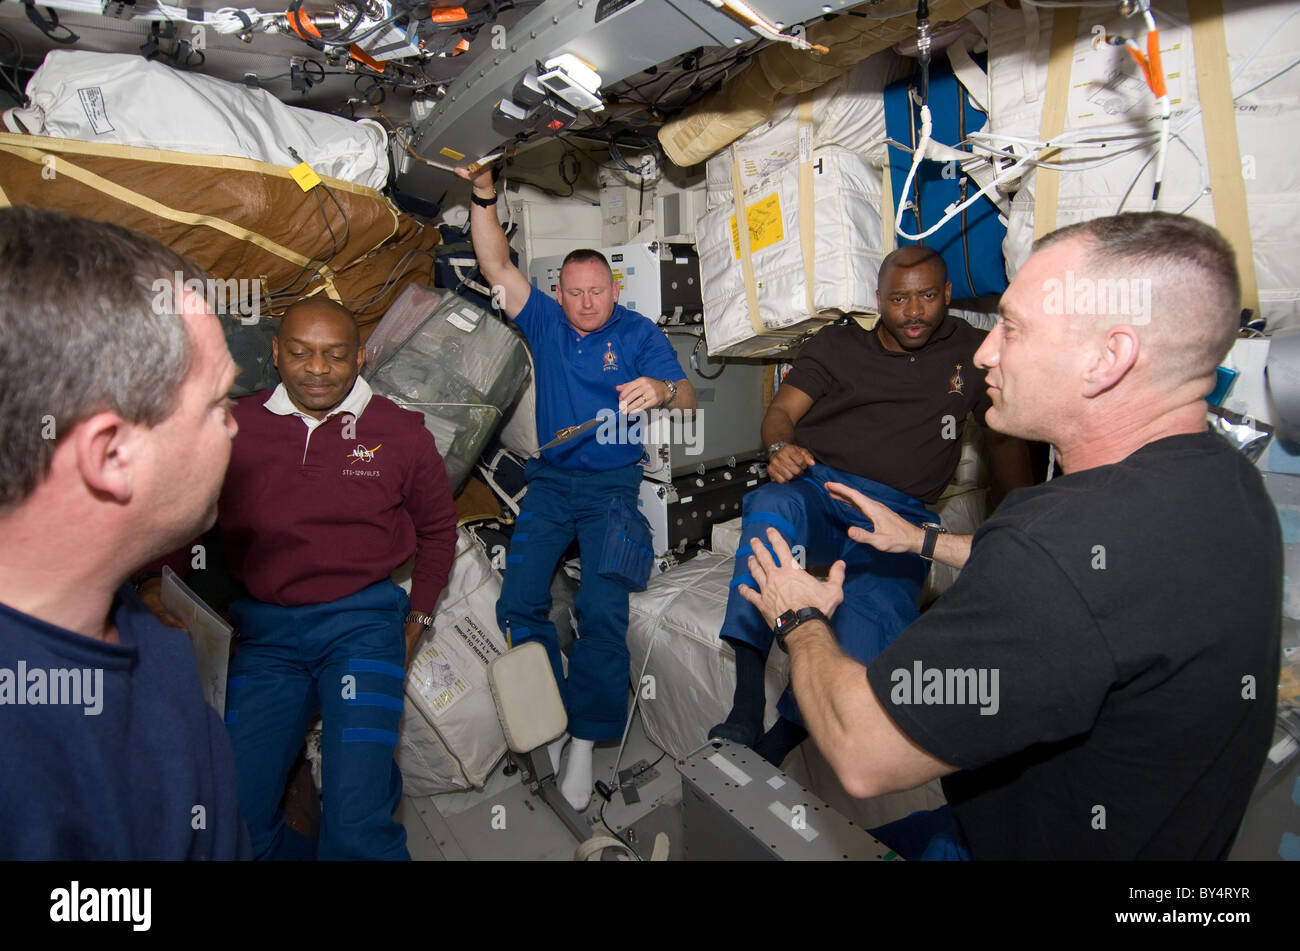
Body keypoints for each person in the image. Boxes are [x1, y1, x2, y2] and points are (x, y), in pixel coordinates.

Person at [736, 212, 1281, 859]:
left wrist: (799, 616)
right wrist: (924, 541)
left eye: (1014, 329)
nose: (986, 350)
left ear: (1111, 356)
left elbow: (862, 749)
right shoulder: (1229, 484)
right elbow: (1098, 592)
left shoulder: (1052, 553)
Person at [711, 246, 1032, 766]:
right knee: (772, 507)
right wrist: (778, 449)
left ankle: (778, 744)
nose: (913, 311)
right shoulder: (837, 344)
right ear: (878, 299)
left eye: (927, 296)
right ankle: (746, 701)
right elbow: (782, 412)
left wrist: (1023, 523)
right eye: (899, 298)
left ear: (947, 295)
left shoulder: (973, 353)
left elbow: (1004, 437)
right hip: (822, 487)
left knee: (872, 624)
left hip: (900, 515)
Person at [0, 207, 249, 859]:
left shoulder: (111, 607)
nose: (235, 428)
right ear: (110, 456)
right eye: (219, 404)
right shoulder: (28, 769)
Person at [456, 162, 697, 810]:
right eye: (575, 291)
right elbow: (496, 263)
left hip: (613, 490)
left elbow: (689, 395)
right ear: (558, 292)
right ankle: (555, 718)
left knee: (600, 609)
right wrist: (483, 193)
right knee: (518, 602)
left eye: (598, 291)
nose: (588, 302)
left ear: (613, 289)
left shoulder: (639, 333)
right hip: (552, 481)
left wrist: (664, 389)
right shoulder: (543, 322)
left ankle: (588, 736)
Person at [197, 298, 458, 860]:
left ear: (360, 357)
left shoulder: (400, 433)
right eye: (300, 352)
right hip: (267, 636)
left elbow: (440, 531)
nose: (317, 368)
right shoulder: (233, 426)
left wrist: (419, 616)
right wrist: (151, 583)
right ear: (275, 352)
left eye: (335, 355)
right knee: (232, 813)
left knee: (357, 818)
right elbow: (178, 515)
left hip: (360, 627)